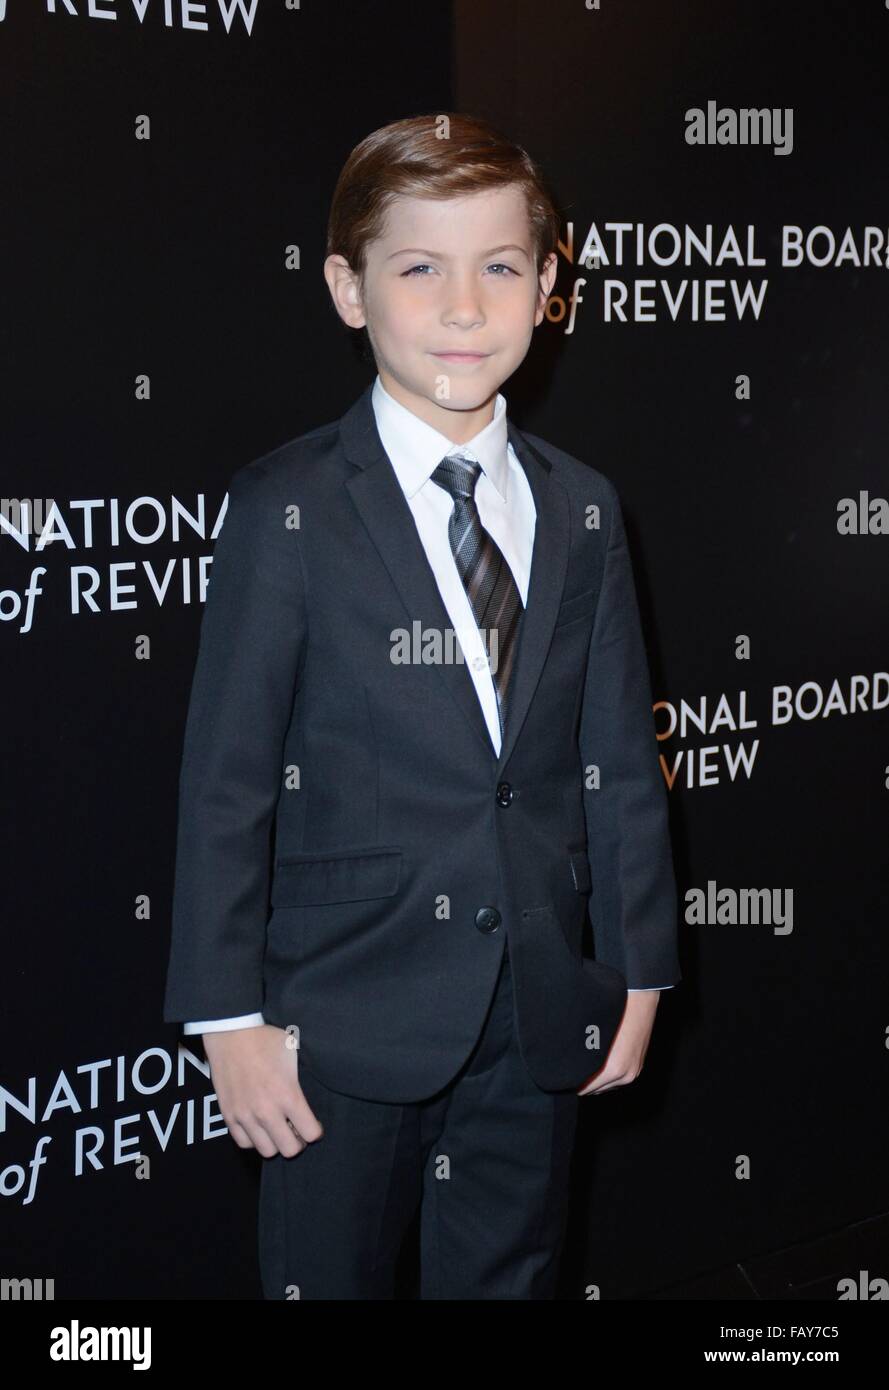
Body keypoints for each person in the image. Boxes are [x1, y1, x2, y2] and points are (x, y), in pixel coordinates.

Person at [163, 112, 681, 1300]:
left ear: (549, 288)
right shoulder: (285, 506)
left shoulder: (584, 508)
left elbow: (614, 752)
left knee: (512, 1275)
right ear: (348, 290)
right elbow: (227, 778)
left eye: (500, 267)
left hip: (539, 1010)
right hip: (339, 1022)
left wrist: (641, 976)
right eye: (418, 268)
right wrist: (224, 1017)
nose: (463, 308)